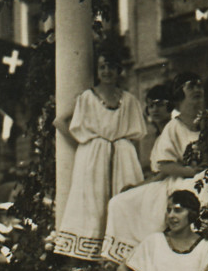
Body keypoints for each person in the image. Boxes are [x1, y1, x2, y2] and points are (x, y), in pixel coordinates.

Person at [101, 72, 208, 263]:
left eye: (199, 85)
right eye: (191, 86)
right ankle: (129, 257)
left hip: (207, 178)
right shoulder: (174, 127)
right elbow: (164, 165)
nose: (197, 90)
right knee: (119, 203)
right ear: (180, 95)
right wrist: (189, 172)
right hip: (180, 178)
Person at [52, 53, 147, 260]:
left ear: (119, 70)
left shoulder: (129, 100)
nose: (107, 72)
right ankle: (90, 253)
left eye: (112, 66)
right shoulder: (87, 97)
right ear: (97, 70)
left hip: (124, 156)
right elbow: (60, 121)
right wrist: (85, 143)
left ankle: (119, 253)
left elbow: (137, 136)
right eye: (103, 67)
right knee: (92, 203)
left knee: (124, 200)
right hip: (93, 157)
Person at [137, 82, 177, 173]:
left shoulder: (174, 131)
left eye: (160, 104)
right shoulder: (159, 138)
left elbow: (165, 173)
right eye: (151, 106)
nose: (155, 110)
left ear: (170, 106)